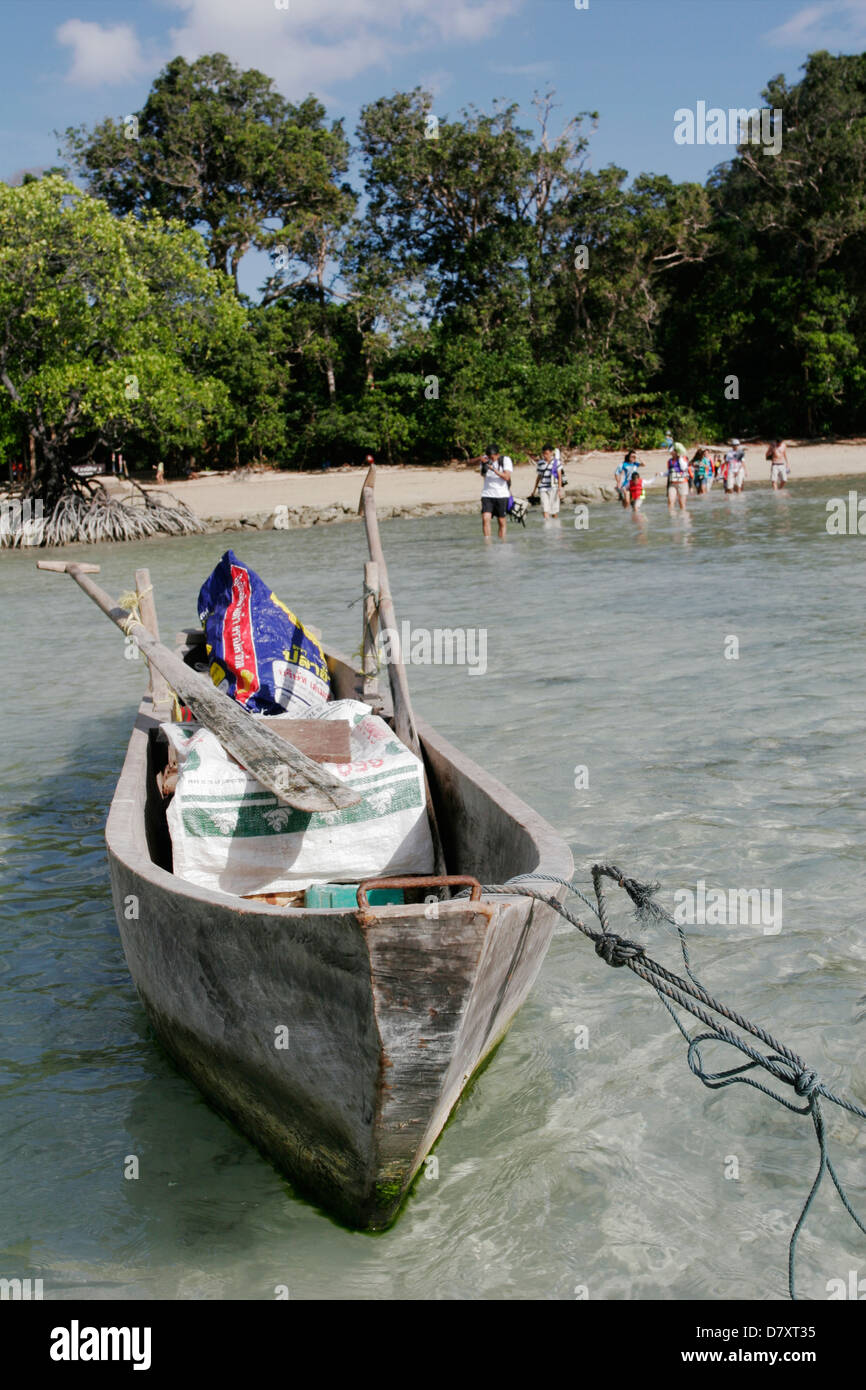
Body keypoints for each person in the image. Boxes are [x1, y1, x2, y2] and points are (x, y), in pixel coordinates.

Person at [480, 443, 513, 540]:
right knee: (485, 519)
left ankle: (502, 542)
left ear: (497, 454)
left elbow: (507, 477)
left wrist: (493, 469)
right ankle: (487, 542)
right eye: (489, 457)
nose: (491, 459)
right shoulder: (485, 460)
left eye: (492, 457)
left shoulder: (505, 460)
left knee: (501, 521)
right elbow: (482, 474)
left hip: (501, 495)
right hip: (487, 494)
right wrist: (484, 465)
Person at [528, 444, 563, 518]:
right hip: (543, 488)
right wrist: (534, 490)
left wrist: (560, 489)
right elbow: (538, 477)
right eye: (544, 454)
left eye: (546, 454)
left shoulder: (556, 462)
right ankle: (547, 526)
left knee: (554, 511)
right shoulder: (540, 463)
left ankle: (555, 527)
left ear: (551, 453)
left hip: (554, 488)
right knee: (545, 509)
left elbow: (559, 476)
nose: (545, 455)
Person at [666, 443, 690, 510]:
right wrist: (662, 474)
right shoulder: (669, 461)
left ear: (676, 451)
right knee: (670, 502)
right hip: (672, 484)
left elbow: (683, 468)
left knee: (682, 503)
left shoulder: (682, 459)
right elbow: (669, 472)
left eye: (672, 451)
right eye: (671, 452)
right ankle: (672, 519)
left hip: (682, 483)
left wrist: (680, 458)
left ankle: (683, 518)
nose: (671, 453)